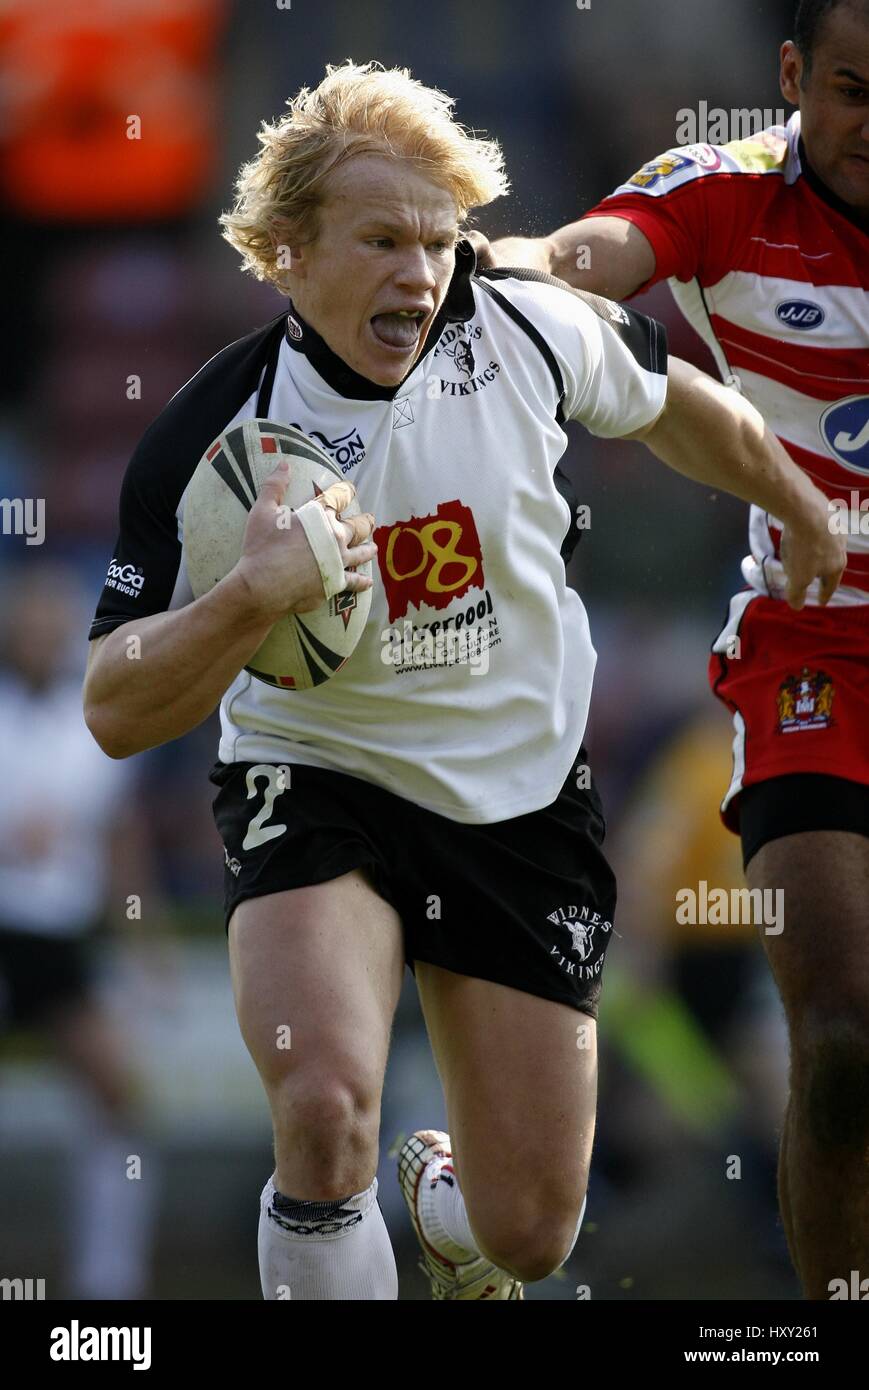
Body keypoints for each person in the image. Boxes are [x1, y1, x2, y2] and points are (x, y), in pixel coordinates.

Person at [83, 60, 844, 1302]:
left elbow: (673, 405)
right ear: (284, 251)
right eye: (381, 239)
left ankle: (443, 1209)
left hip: (519, 796)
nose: (421, 272)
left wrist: (792, 494)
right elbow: (112, 706)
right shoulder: (214, 431)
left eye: (438, 240)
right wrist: (246, 598)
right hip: (317, 772)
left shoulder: (525, 324)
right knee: (325, 1109)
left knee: (532, 1233)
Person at [484, 0, 869, 1298]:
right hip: (812, 647)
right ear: (789, 77)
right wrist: (513, 268)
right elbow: (586, 252)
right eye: (851, 89)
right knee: (842, 1034)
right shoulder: (722, 191)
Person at [0, 565, 161, 1299]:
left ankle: (107, 1283)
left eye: (48, 622)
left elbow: (120, 841)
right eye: (25, 621)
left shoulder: (87, 721)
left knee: (119, 1098)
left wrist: (143, 935)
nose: (36, 635)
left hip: (56, 943)